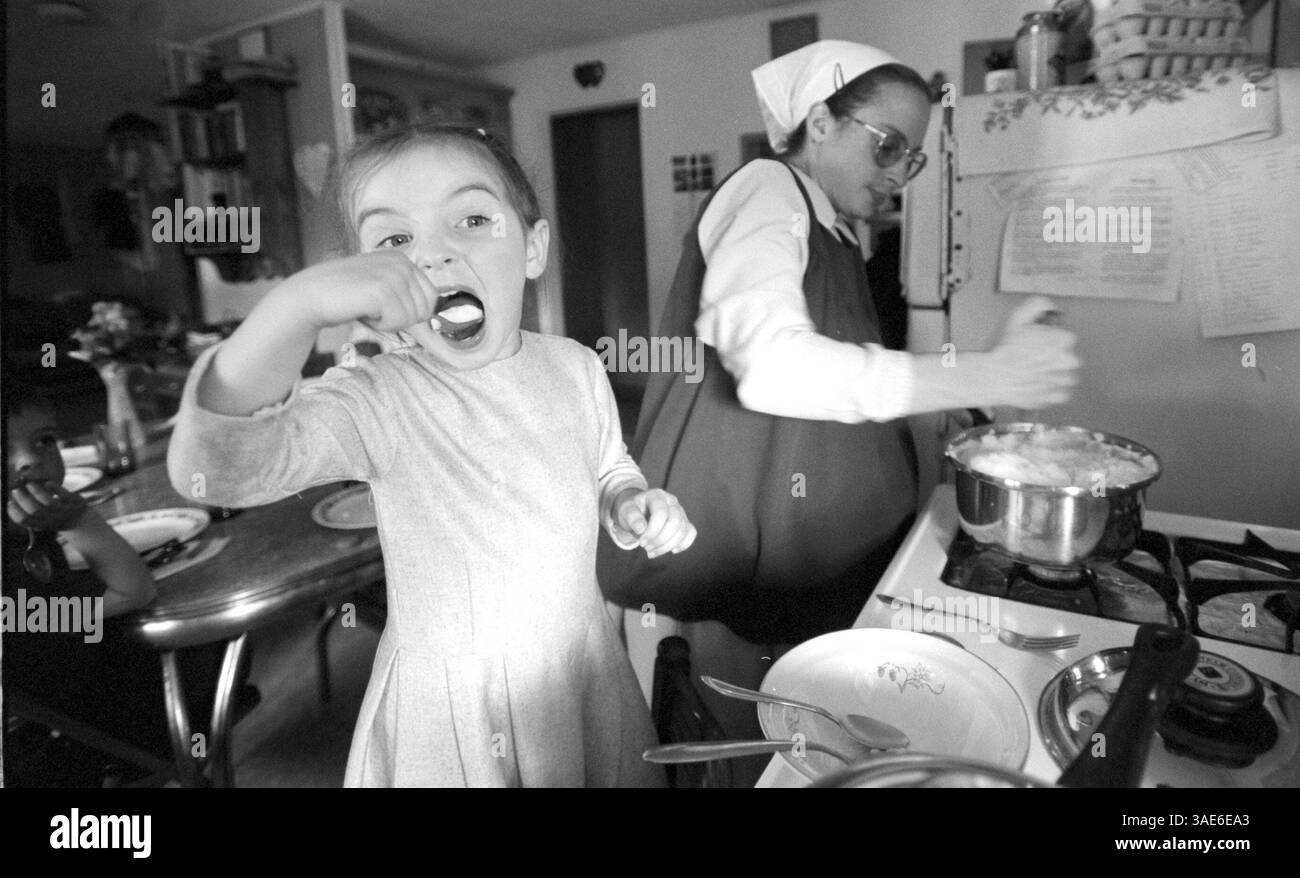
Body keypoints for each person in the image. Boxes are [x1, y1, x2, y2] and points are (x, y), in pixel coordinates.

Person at [166, 123, 697, 787]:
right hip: (454, 710)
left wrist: (630, 502)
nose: (433, 257)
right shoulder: (379, 396)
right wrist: (295, 306)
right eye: (394, 240)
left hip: (580, 665)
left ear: (532, 249)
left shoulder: (577, 366)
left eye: (471, 219)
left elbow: (608, 468)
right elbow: (216, 468)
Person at [596, 41, 1079, 754]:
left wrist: (951, 409)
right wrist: (987, 374)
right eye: (887, 145)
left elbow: (844, 378)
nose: (897, 174)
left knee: (808, 744)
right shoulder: (767, 190)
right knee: (759, 747)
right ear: (819, 121)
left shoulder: (836, 233)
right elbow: (769, 363)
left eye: (909, 159)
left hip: (809, 562)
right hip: (737, 557)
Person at [2, 364, 240, 786]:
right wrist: (80, 519)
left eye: (44, 441)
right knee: (216, 635)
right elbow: (133, 591)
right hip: (72, 743)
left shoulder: (24, 538)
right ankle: (178, 761)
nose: (28, 461)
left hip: (76, 700)